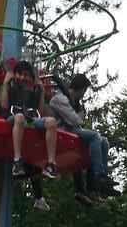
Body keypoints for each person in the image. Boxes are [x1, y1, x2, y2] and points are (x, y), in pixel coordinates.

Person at [47, 72, 114, 202]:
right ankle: (97, 174)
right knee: (95, 136)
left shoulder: (73, 102)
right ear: (81, 89)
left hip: (72, 130)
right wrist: (79, 115)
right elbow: (74, 120)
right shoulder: (60, 99)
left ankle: (100, 181)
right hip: (63, 131)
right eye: (84, 90)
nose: (84, 94)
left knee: (103, 141)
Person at [0, 59, 58, 182]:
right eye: (20, 74)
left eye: (26, 75)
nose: (22, 78)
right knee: (20, 117)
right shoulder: (11, 87)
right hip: (14, 118)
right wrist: (6, 83)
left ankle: (51, 163)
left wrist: (41, 90)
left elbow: (40, 112)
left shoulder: (34, 91)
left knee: (51, 121)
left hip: (30, 119)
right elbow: (4, 105)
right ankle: (17, 161)